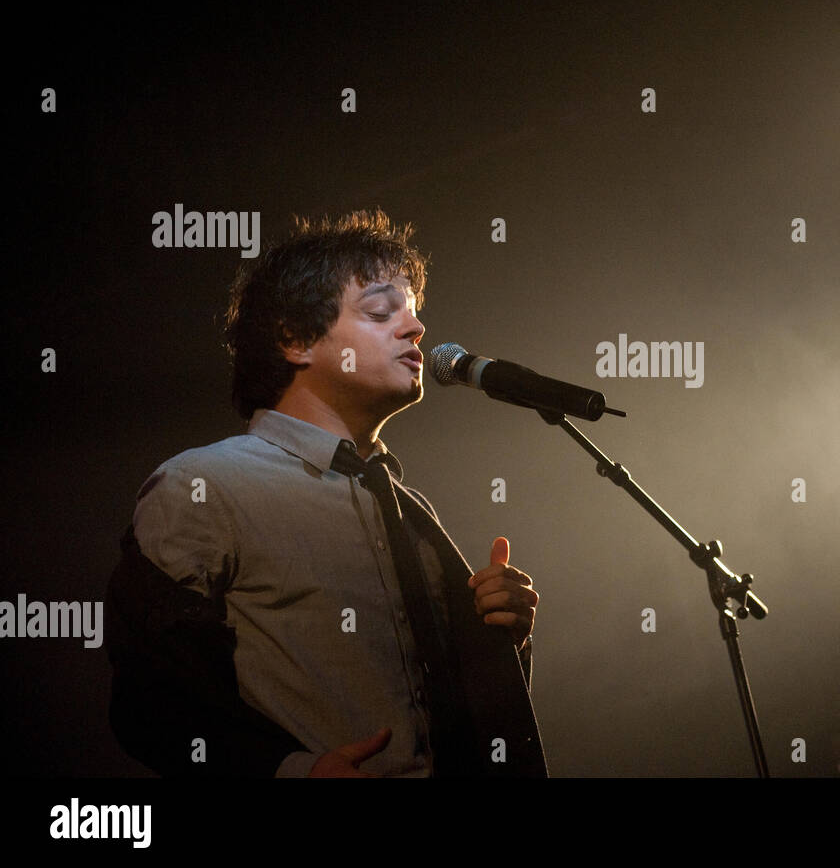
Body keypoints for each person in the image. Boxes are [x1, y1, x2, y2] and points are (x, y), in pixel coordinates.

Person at [106, 209, 546, 777]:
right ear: (294, 339)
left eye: (415, 316)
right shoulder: (203, 487)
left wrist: (499, 641)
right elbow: (150, 701)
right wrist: (293, 771)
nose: (416, 330)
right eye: (382, 311)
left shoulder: (410, 511)